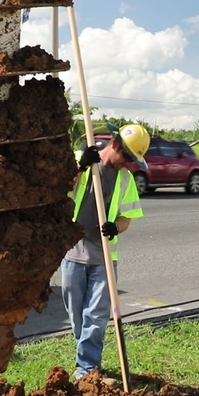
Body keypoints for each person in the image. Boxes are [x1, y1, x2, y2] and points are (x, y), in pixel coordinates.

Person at [61, 123, 150, 380]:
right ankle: (85, 360)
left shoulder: (125, 179)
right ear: (114, 144)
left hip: (104, 258)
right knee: (77, 316)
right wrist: (80, 167)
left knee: (96, 316)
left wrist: (115, 227)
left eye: (133, 160)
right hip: (73, 252)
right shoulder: (82, 160)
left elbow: (127, 218)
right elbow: (60, 188)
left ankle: (87, 370)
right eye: (127, 157)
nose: (128, 163)